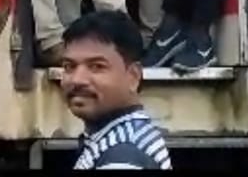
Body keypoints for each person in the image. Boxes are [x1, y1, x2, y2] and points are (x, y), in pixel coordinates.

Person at [62, 10, 173, 170]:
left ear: (133, 76)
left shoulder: (124, 155)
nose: (77, 79)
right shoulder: (124, 138)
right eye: (69, 66)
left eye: (96, 66)